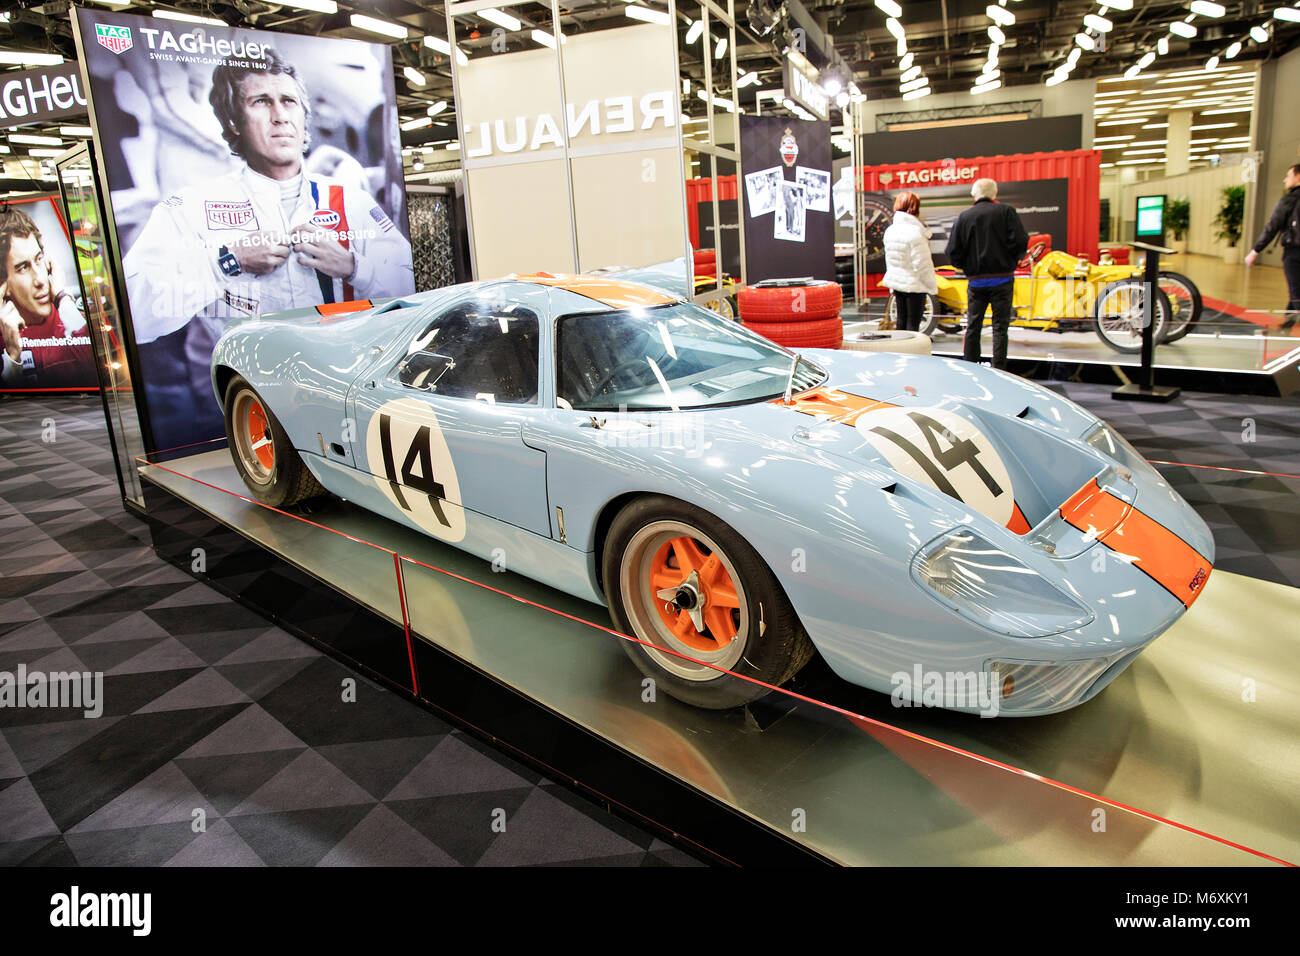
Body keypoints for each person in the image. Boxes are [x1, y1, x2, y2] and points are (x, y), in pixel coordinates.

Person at [122, 49, 413, 447]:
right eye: (261, 102)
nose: (280, 116)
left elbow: (409, 287)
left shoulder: (350, 200)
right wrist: (226, 263)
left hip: (348, 399)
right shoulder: (193, 206)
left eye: (288, 101)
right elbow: (134, 311)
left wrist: (352, 266)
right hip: (246, 414)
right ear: (232, 120)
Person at [945, 178, 1028, 369]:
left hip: (976, 282)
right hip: (1003, 279)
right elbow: (1021, 240)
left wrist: (966, 268)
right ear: (994, 193)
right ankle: (999, 368)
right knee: (1001, 327)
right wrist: (1012, 261)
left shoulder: (964, 217)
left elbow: (953, 250)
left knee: (973, 326)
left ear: (974, 194)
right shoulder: (1007, 212)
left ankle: (971, 368)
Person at [0, 207, 88, 387]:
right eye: (22, 268)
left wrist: (64, 300)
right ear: (3, 284)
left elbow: (98, 371)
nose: (40, 279)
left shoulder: (75, 316)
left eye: (39, 259)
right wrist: (13, 357)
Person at [1244, 162, 1300, 329]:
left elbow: (1272, 226)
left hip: (1294, 252)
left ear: (1298, 177)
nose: (1284, 180)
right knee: (1295, 288)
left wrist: (1255, 251)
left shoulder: (1290, 199)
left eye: (1288, 176)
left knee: (1297, 294)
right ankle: (1288, 325)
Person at [880, 191, 938, 332]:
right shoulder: (916, 232)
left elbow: (890, 260)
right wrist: (931, 287)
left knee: (901, 322)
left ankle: (900, 352)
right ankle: (911, 353)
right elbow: (922, 264)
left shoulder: (890, 231)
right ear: (915, 208)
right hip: (915, 285)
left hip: (898, 284)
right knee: (913, 326)